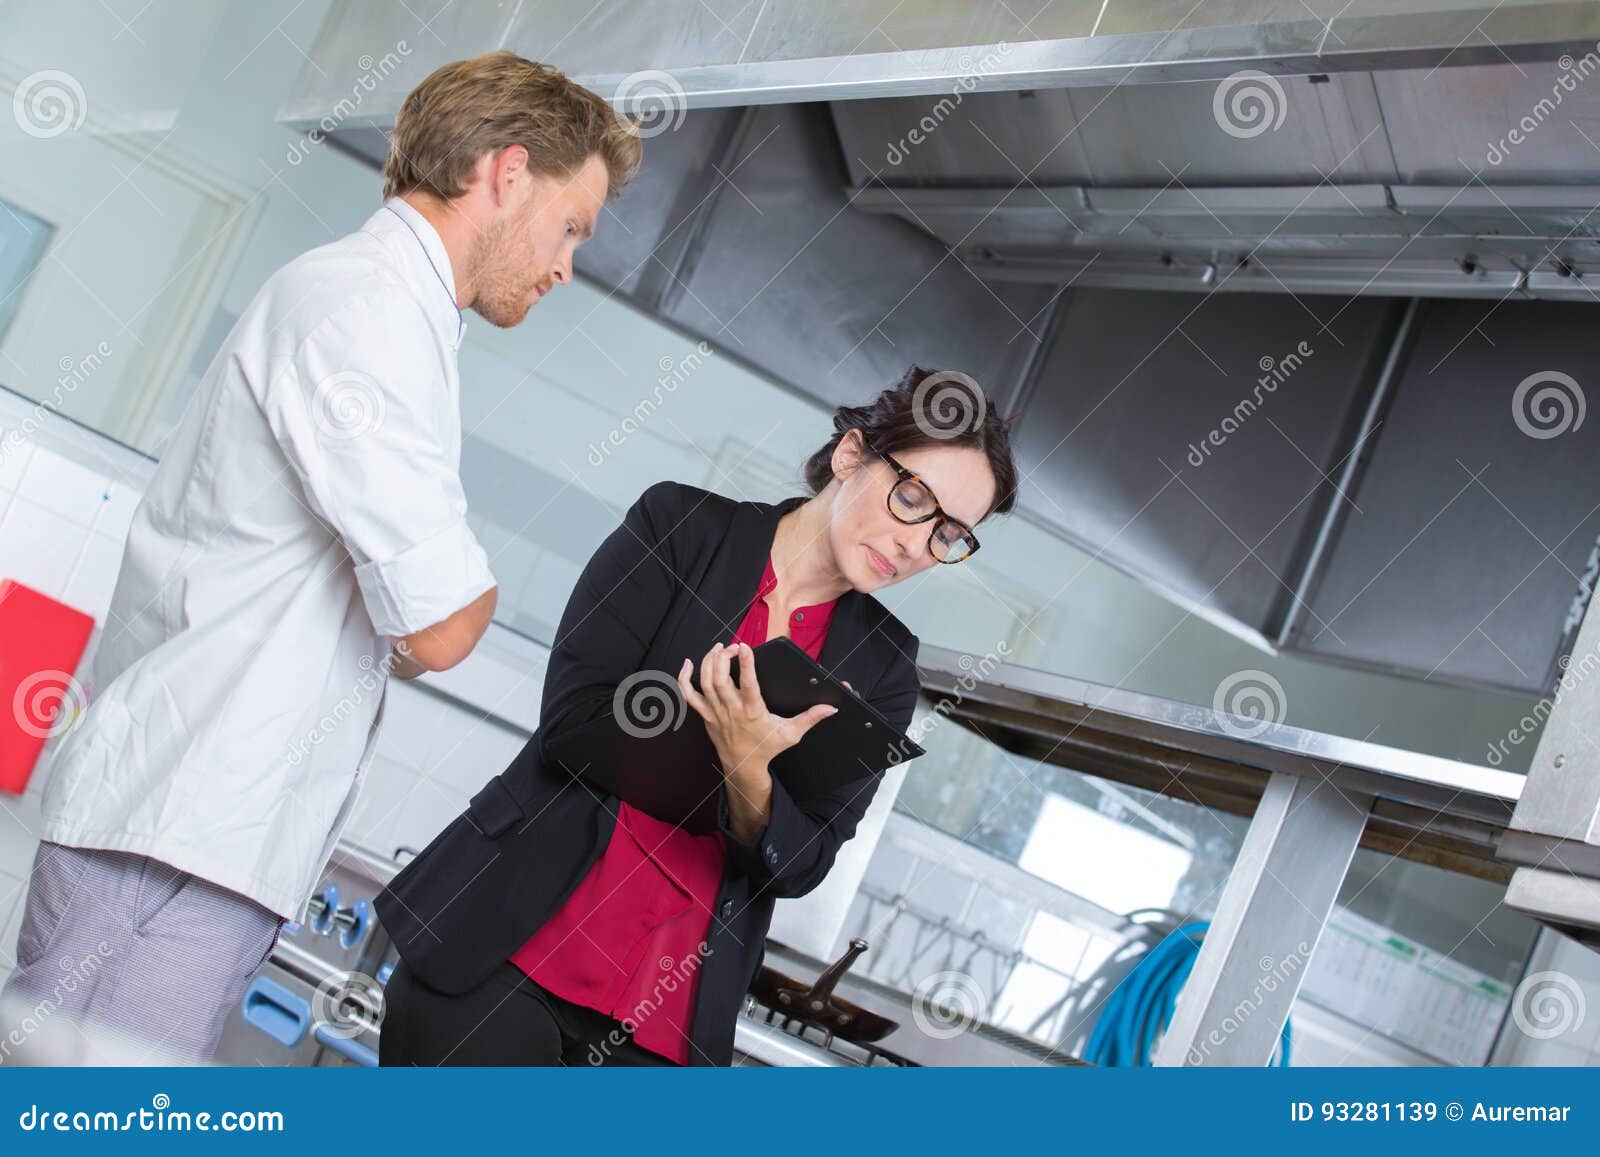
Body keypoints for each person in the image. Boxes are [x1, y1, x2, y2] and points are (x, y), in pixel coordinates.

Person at [0, 51, 642, 1065]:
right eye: (572, 226)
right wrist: (432, 608)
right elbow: (443, 625)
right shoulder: (365, 311)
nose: (567, 265)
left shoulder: (393, 314)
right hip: (176, 838)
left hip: (198, 836)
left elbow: (417, 618)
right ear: (509, 171)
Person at [376, 367, 1019, 1067]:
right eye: (913, 498)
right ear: (851, 455)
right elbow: (571, 723)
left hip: (663, 1025)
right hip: (510, 950)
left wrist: (751, 771)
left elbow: (803, 863)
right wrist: (735, 765)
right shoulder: (681, 528)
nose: (916, 544)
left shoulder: (885, 667)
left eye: (949, 533)